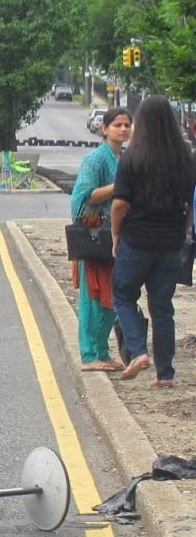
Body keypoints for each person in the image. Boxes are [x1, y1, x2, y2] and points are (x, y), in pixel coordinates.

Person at [111, 95, 196, 386]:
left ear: (141, 123)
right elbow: (189, 204)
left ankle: (138, 351)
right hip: (171, 243)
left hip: (137, 240)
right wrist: (182, 232)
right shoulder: (186, 158)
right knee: (162, 307)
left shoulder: (132, 157)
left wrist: (115, 234)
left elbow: (120, 203)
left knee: (123, 295)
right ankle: (166, 374)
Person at [70, 108, 132, 372]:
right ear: (104, 128)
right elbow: (84, 196)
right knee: (93, 295)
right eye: (118, 124)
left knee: (113, 296)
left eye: (128, 125)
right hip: (97, 236)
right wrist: (121, 187)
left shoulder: (127, 159)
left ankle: (103, 352)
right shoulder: (95, 160)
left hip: (119, 236)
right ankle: (89, 354)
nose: (123, 129)